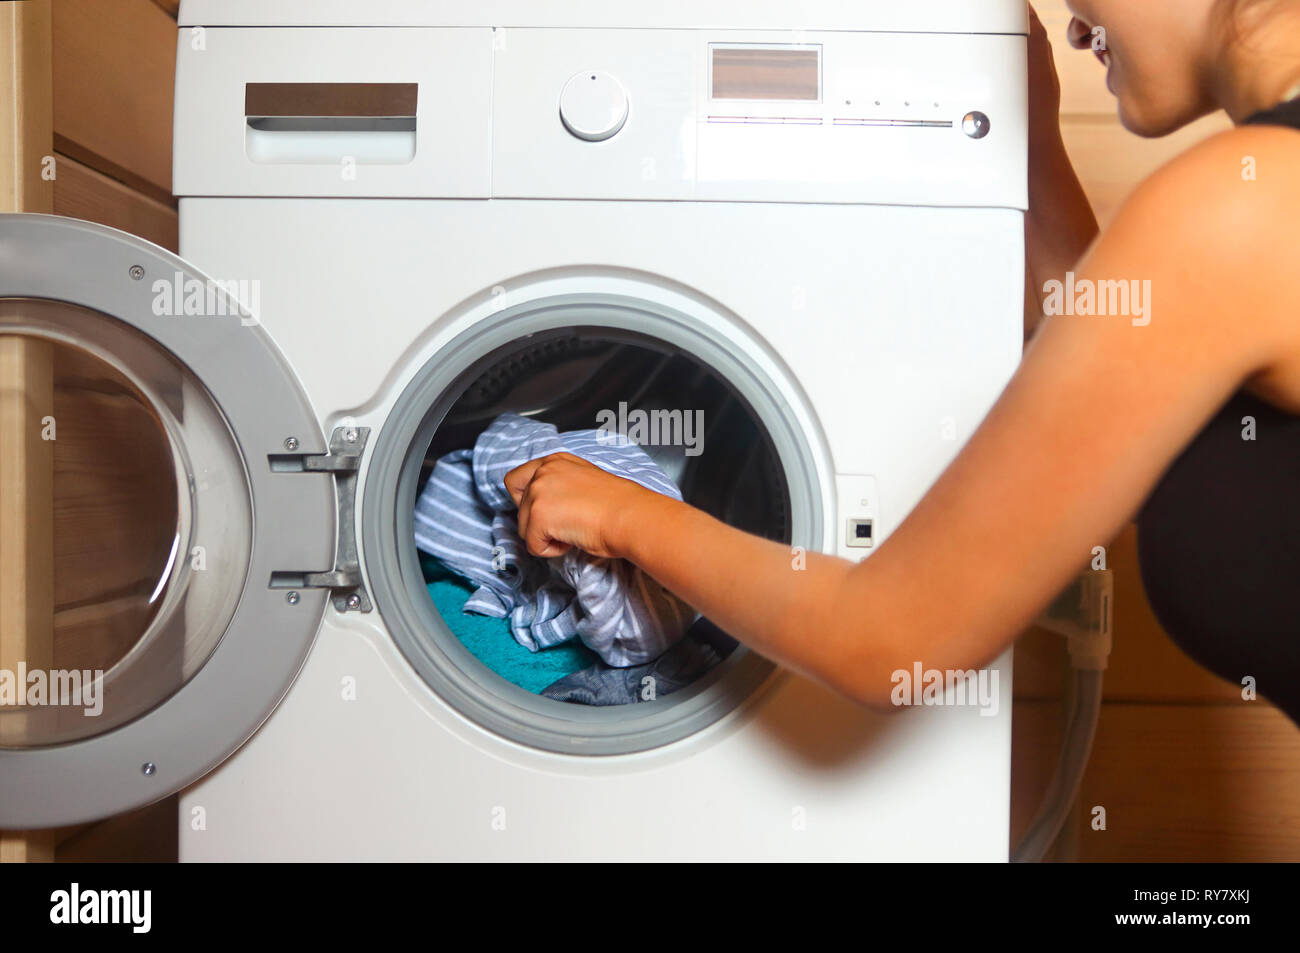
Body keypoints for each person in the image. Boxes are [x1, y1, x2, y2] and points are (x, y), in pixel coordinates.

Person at [503, 1, 1300, 722]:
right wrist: (1026, 135)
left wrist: (622, 513)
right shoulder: (1254, 202)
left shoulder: (1235, 206)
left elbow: (885, 643)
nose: (1074, 20)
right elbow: (1118, 416)